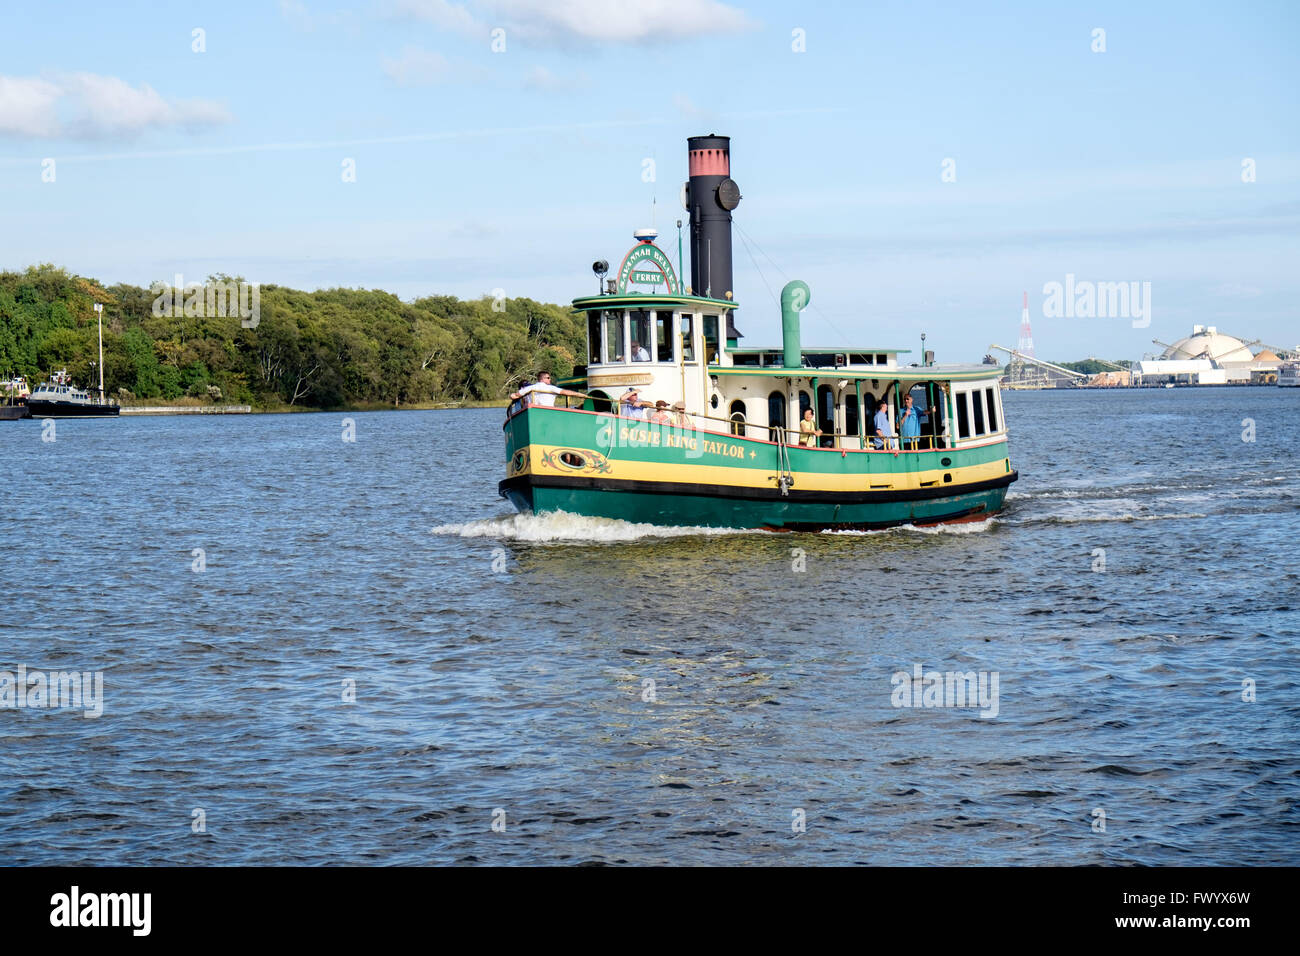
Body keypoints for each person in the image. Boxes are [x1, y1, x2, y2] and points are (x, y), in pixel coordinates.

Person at [509, 371, 584, 409]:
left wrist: (513, 396)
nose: (550, 379)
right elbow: (567, 392)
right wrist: (581, 395)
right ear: (542, 379)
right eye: (548, 378)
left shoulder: (530, 388)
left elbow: (514, 396)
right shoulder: (551, 388)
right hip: (548, 411)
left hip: (533, 410)